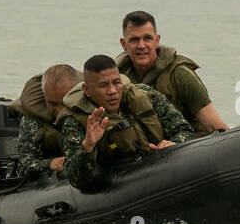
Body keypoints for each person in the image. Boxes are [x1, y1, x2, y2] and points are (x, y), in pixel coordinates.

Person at [60, 54, 195, 190]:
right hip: (122, 186)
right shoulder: (75, 121)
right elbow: (77, 180)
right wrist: (88, 147)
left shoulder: (145, 94)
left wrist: (174, 144)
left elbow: (184, 130)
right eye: (103, 85)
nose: (112, 91)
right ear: (87, 90)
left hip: (163, 169)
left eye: (116, 82)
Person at [114, 10, 228, 134]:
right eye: (134, 40)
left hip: (187, 142)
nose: (141, 45)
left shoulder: (181, 75)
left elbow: (216, 128)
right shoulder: (116, 80)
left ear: (157, 40)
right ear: (124, 44)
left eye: (147, 38)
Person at [11, 64, 80, 175]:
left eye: (64, 102)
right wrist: (50, 163)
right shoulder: (32, 119)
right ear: (44, 96)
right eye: (52, 103)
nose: (59, 110)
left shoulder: (89, 108)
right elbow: (26, 164)